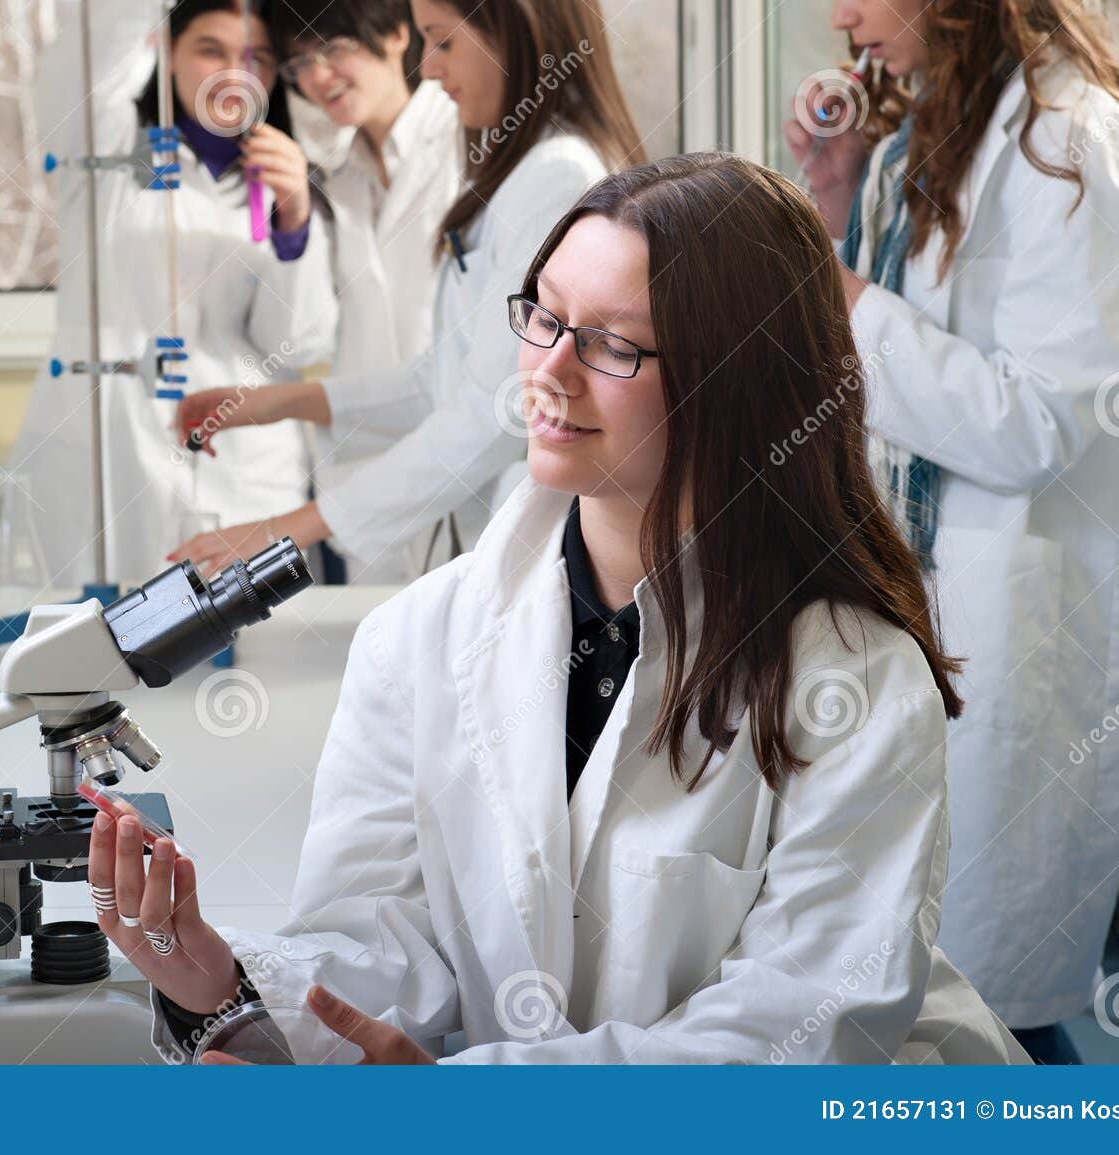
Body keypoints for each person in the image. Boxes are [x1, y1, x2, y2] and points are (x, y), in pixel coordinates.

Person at [91, 155, 1030, 1065]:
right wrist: (225, 983)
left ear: (740, 378)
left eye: (611, 344)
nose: (549, 370)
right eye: (543, 317)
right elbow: (385, 947)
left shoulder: (854, 678)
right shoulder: (419, 638)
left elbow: (793, 1033)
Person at [786, 0, 1119, 1064]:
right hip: (919, 605)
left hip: (1018, 628)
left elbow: (1034, 427)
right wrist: (835, 197)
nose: (839, 15)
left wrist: (844, 292)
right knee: (925, 995)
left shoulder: (1072, 143)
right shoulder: (930, 135)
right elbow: (896, 363)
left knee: (987, 1003)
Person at [170, 0, 643, 578]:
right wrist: (284, 402)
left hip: (503, 511)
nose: (432, 68)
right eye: (299, 64)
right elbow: (444, 374)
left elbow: (494, 408)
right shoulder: (511, 165)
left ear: (513, 31)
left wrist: (293, 526)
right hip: (417, 499)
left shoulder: (552, 172)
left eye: (442, 43)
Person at [7, 0, 336, 586]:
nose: (234, 72)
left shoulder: (290, 175)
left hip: (238, 460)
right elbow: (91, 51)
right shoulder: (103, 150)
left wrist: (294, 222)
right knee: (91, 642)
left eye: (255, 57)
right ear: (166, 50)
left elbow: (295, 342)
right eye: (210, 49)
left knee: (248, 654)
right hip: (107, 444)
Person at [258, 0, 462, 583]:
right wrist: (294, 213)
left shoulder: (471, 148)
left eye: (335, 48)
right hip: (366, 479)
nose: (318, 77)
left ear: (399, 33)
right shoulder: (335, 182)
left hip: (469, 477)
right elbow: (303, 335)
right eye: (300, 62)